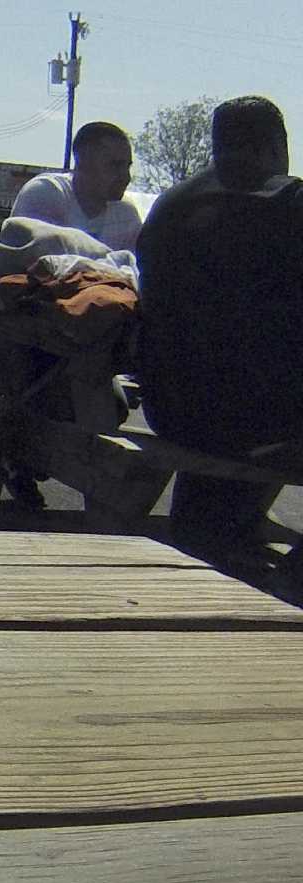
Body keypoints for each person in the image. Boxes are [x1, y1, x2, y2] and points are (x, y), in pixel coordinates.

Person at [138, 95, 303, 571]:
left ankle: (213, 540)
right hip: (263, 420)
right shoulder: (290, 204)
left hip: (171, 410)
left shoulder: (167, 208)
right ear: (277, 147)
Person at [10, 120, 142, 252]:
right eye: (114, 165)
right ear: (83, 163)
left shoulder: (126, 215)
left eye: (127, 167)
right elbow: (28, 263)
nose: (126, 177)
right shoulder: (44, 194)